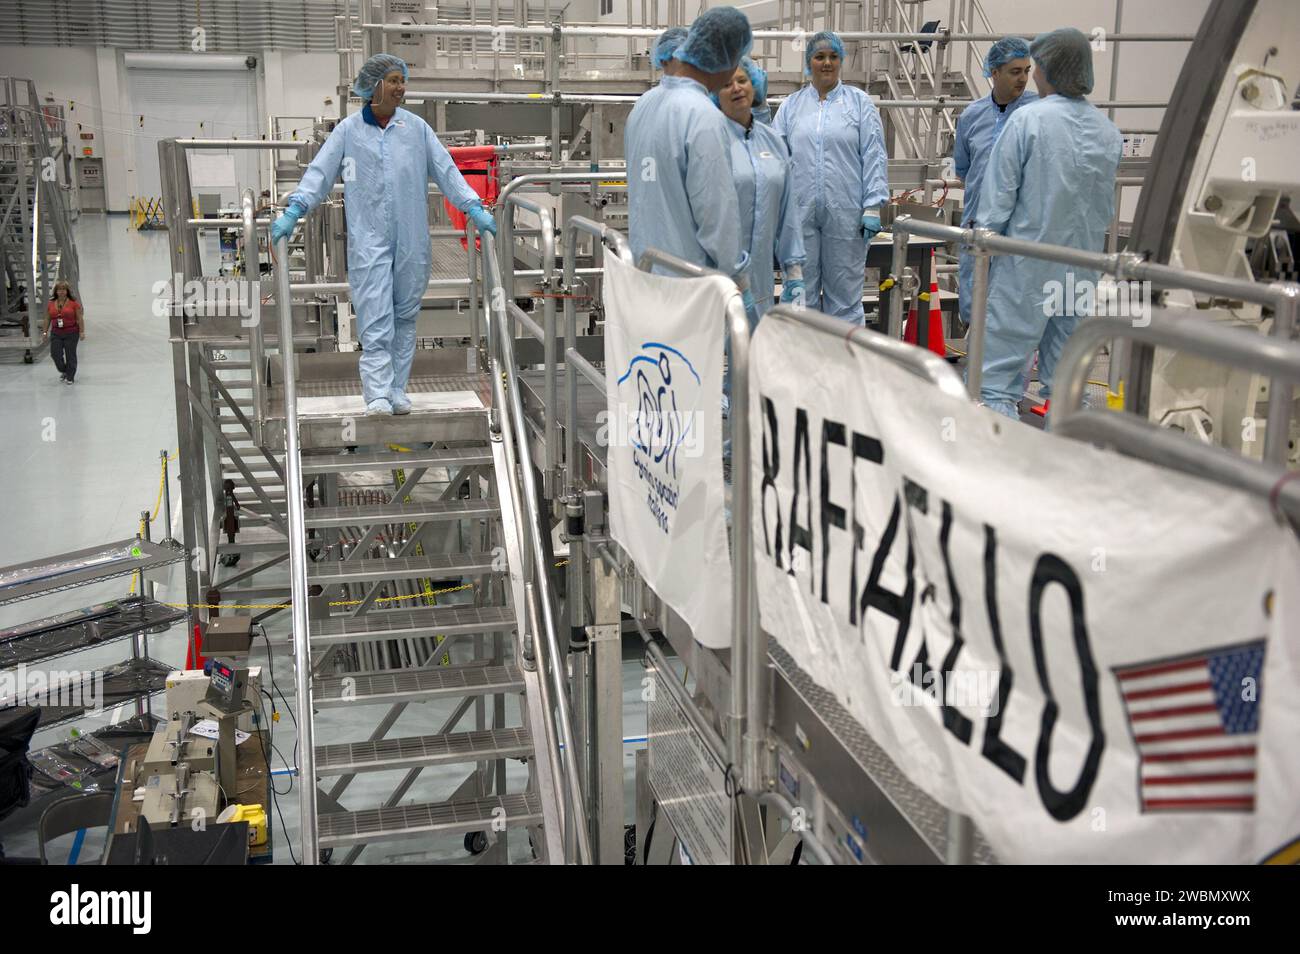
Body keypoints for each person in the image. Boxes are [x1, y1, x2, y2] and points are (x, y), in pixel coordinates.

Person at [273, 53, 498, 416]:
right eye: (393, 80)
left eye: (401, 80)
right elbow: (320, 173)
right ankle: (376, 392)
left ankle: (397, 388)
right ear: (373, 86)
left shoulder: (416, 128)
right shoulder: (348, 131)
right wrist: (294, 210)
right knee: (376, 317)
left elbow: (446, 171)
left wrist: (473, 207)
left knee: (406, 316)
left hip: (412, 240)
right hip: (370, 240)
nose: (400, 88)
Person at [974, 28, 1122, 419]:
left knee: (996, 380)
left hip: (1027, 264)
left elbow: (997, 201)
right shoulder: (1108, 133)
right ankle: (1063, 466)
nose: (1032, 76)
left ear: (1051, 70)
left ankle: (996, 464)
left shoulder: (1027, 122)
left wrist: (983, 245)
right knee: (1068, 382)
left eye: (1037, 67)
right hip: (1082, 267)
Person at [625, 7, 756, 318]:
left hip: (645, 276)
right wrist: (738, 278)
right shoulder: (703, 116)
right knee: (689, 367)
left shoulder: (644, 105)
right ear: (725, 59)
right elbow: (717, 216)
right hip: (688, 289)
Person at [773, 31, 888, 322]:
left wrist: (872, 205)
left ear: (841, 61)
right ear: (808, 62)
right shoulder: (791, 106)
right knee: (800, 295)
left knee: (846, 299)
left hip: (846, 215)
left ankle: (844, 365)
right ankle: (801, 363)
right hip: (800, 215)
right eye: (820, 56)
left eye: (833, 56)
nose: (827, 63)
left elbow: (874, 154)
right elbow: (776, 160)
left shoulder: (860, 103)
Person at [953, 37, 1037, 328]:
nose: (1024, 78)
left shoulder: (1038, 113)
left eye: (1027, 70)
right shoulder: (971, 116)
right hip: (978, 223)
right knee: (974, 307)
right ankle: (977, 369)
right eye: (1015, 71)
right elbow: (964, 171)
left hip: (1020, 229)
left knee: (1013, 316)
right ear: (994, 72)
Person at [714, 57, 805, 318]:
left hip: (760, 281)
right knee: (710, 352)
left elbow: (788, 210)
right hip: (716, 281)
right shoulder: (709, 140)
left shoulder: (773, 142)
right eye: (726, 84)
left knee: (752, 355)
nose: (736, 88)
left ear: (754, 86)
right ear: (714, 94)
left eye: (742, 80)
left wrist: (794, 272)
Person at [42, 280, 84, 385]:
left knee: (70, 355)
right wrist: (44, 332)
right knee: (55, 354)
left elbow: (80, 318)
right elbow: (47, 319)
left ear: (67, 291)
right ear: (56, 291)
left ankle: (70, 376)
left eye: (64, 289)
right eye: (59, 289)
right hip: (56, 333)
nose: (61, 292)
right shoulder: (51, 304)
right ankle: (64, 370)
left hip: (71, 332)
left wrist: (82, 331)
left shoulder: (74, 304)